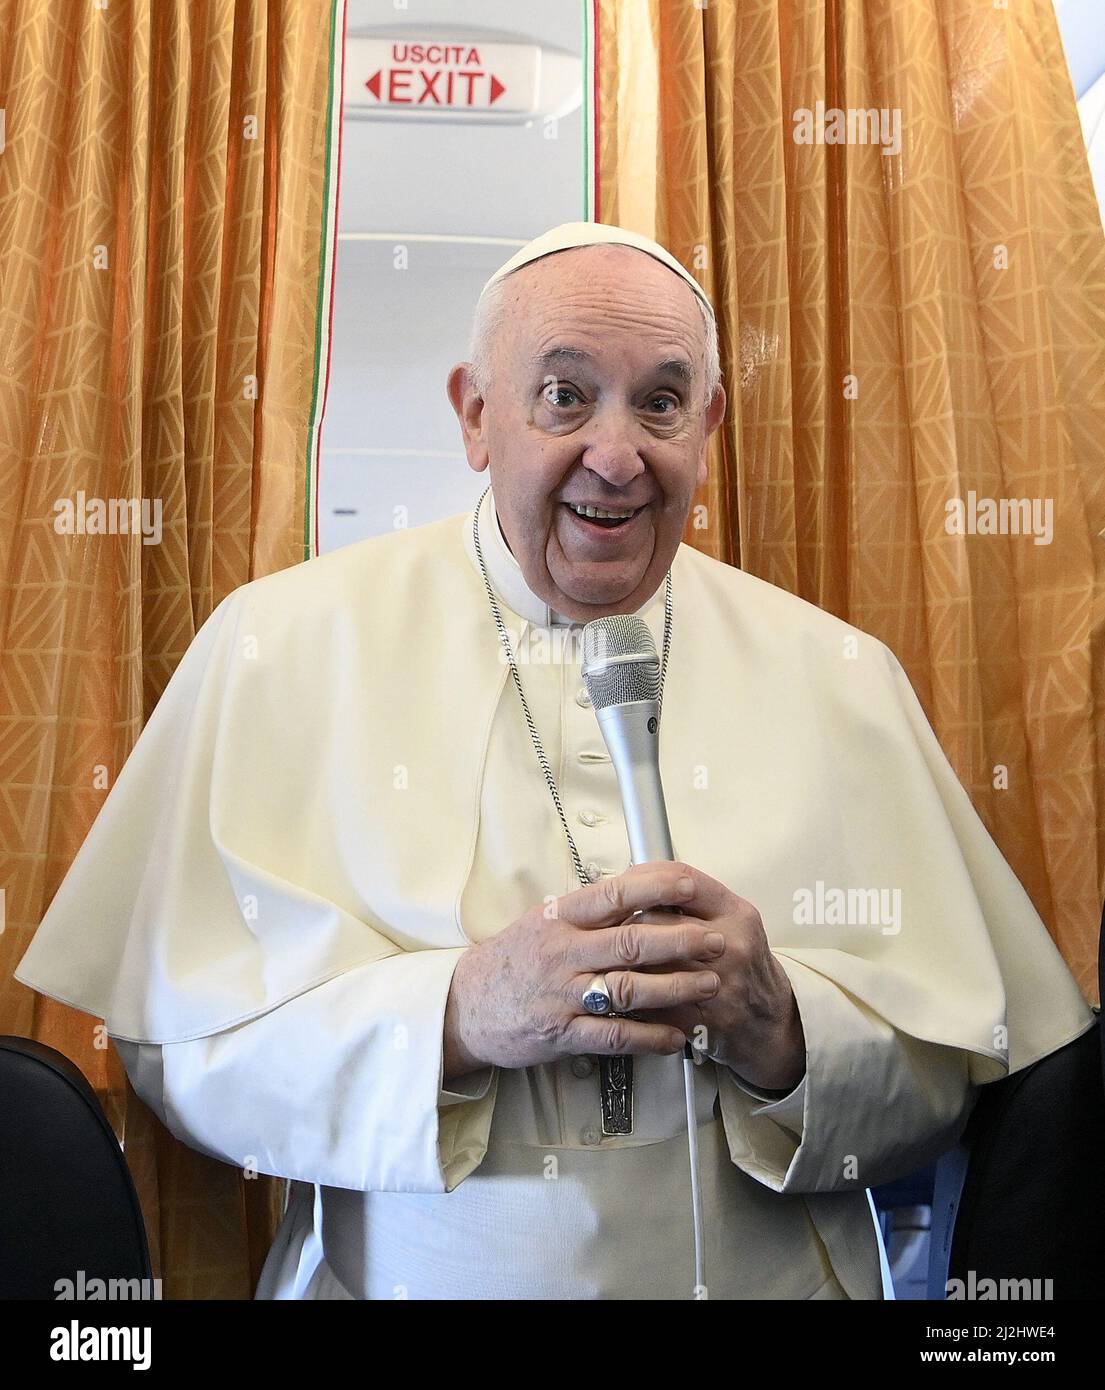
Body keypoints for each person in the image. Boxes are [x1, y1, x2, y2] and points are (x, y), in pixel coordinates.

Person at [16, 221, 1094, 1301]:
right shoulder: (286, 645)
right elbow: (182, 1055)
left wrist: (787, 1033)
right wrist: (453, 1014)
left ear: (709, 424)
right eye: (564, 396)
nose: (616, 455)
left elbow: (953, 1074)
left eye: (661, 402)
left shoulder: (840, 675)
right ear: (476, 416)